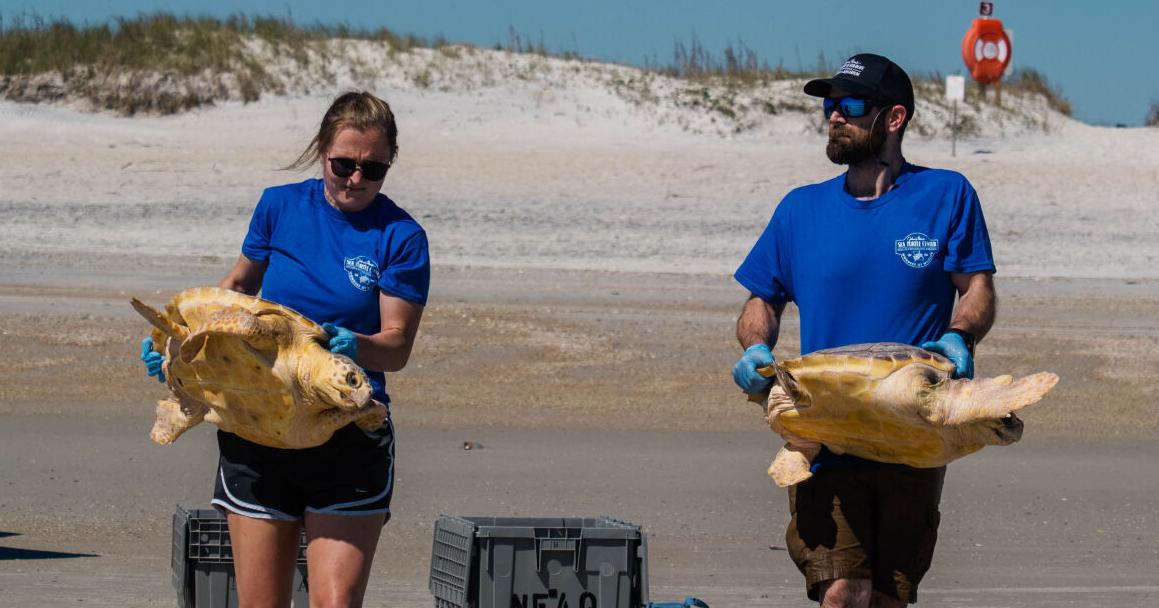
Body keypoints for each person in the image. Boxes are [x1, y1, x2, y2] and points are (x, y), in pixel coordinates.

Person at [140, 90, 429, 608]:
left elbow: (396, 346)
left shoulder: (401, 237)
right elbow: (234, 291)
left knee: (334, 603)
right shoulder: (278, 206)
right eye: (343, 164)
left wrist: (352, 345)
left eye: (373, 169)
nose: (355, 180)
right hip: (258, 425)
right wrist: (178, 343)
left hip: (347, 432)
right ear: (322, 151)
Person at [731, 54, 996, 607]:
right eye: (829, 105)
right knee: (843, 593)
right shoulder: (799, 209)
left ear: (893, 118)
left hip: (912, 432)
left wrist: (960, 337)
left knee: (886, 597)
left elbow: (975, 289)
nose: (834, 117)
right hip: (826, 430)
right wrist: (757, 345)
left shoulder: (947, 194)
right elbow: (762, 299)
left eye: (850, 106)